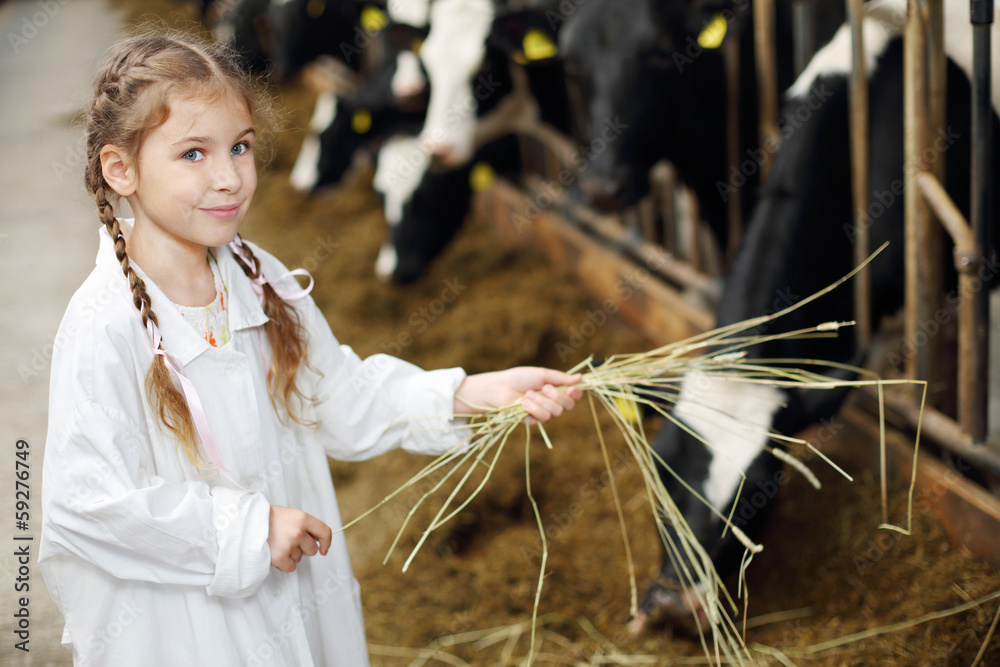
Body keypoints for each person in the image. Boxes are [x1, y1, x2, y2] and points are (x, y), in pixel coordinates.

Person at [39, 29, 583, 666]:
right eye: (193, 154)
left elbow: (335, 395)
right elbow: (84, 503)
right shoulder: (104, 325)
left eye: (239, 147)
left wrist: (467, 392)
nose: (228, 177)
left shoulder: (255, 274)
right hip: (186, 632)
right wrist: (246, 530)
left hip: (295, 604)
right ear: (120, 169)